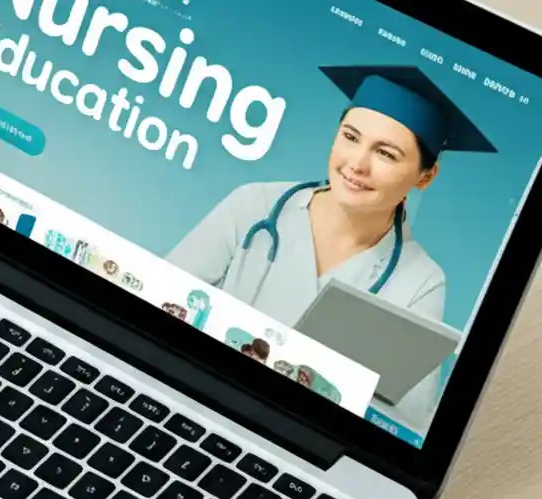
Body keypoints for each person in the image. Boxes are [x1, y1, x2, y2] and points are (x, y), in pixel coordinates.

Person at [166, 64, 498, 436]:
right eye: (350, 137)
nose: (357, 163)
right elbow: (155, 304)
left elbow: (402, 424)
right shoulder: (252, 206)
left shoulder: (421, 280)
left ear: (425, 176)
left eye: (386, 154)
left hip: (296, 436)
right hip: (192, 397)